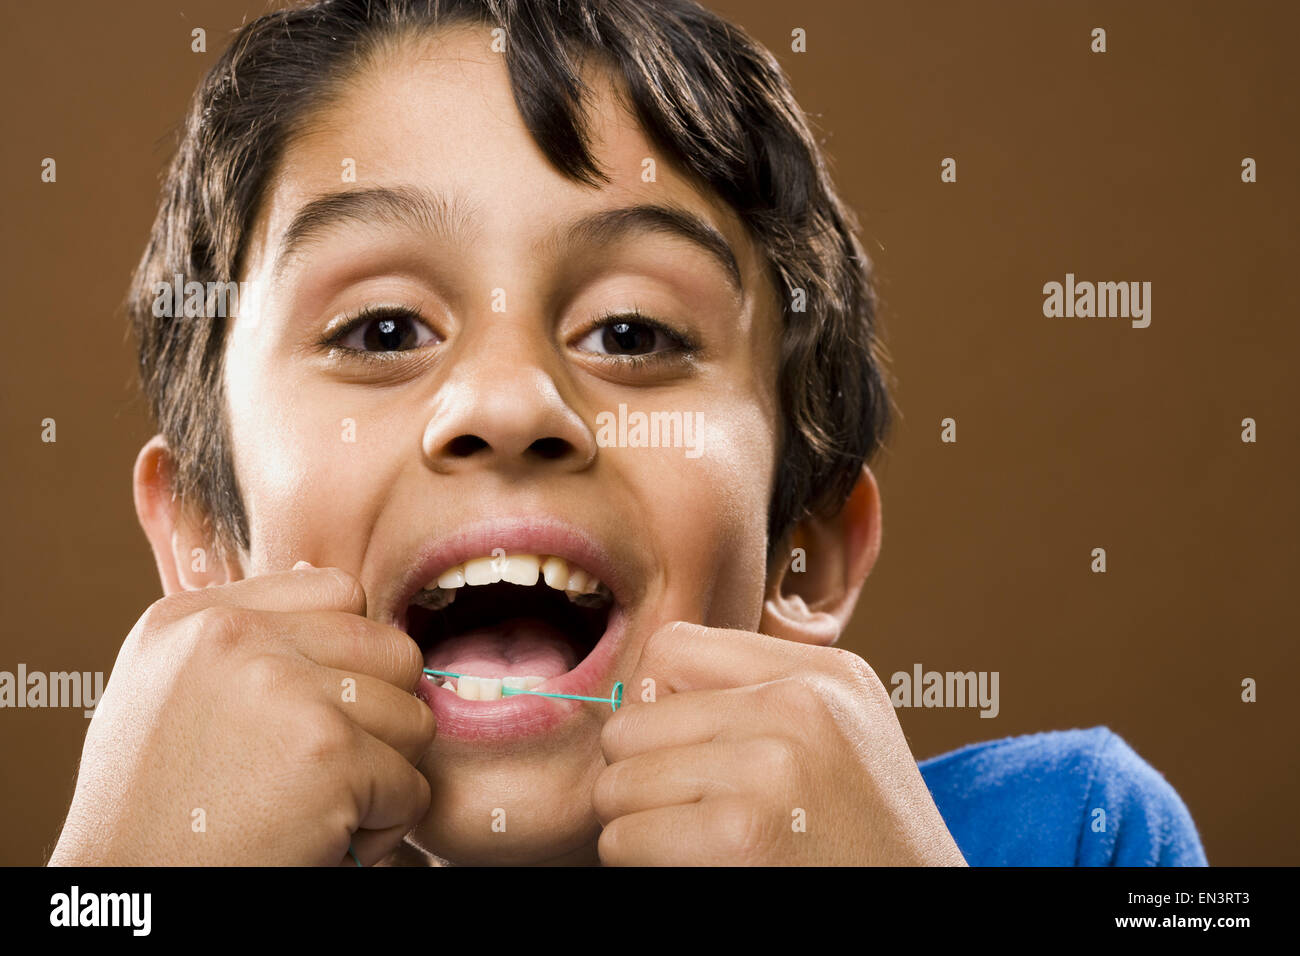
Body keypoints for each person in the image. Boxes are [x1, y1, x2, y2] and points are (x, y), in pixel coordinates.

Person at [49, 0, 1205, 866]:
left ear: (803, 545)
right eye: (385, 325)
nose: (508, 405)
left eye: (635, 332)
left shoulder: (1078, 829)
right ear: (206, 540)